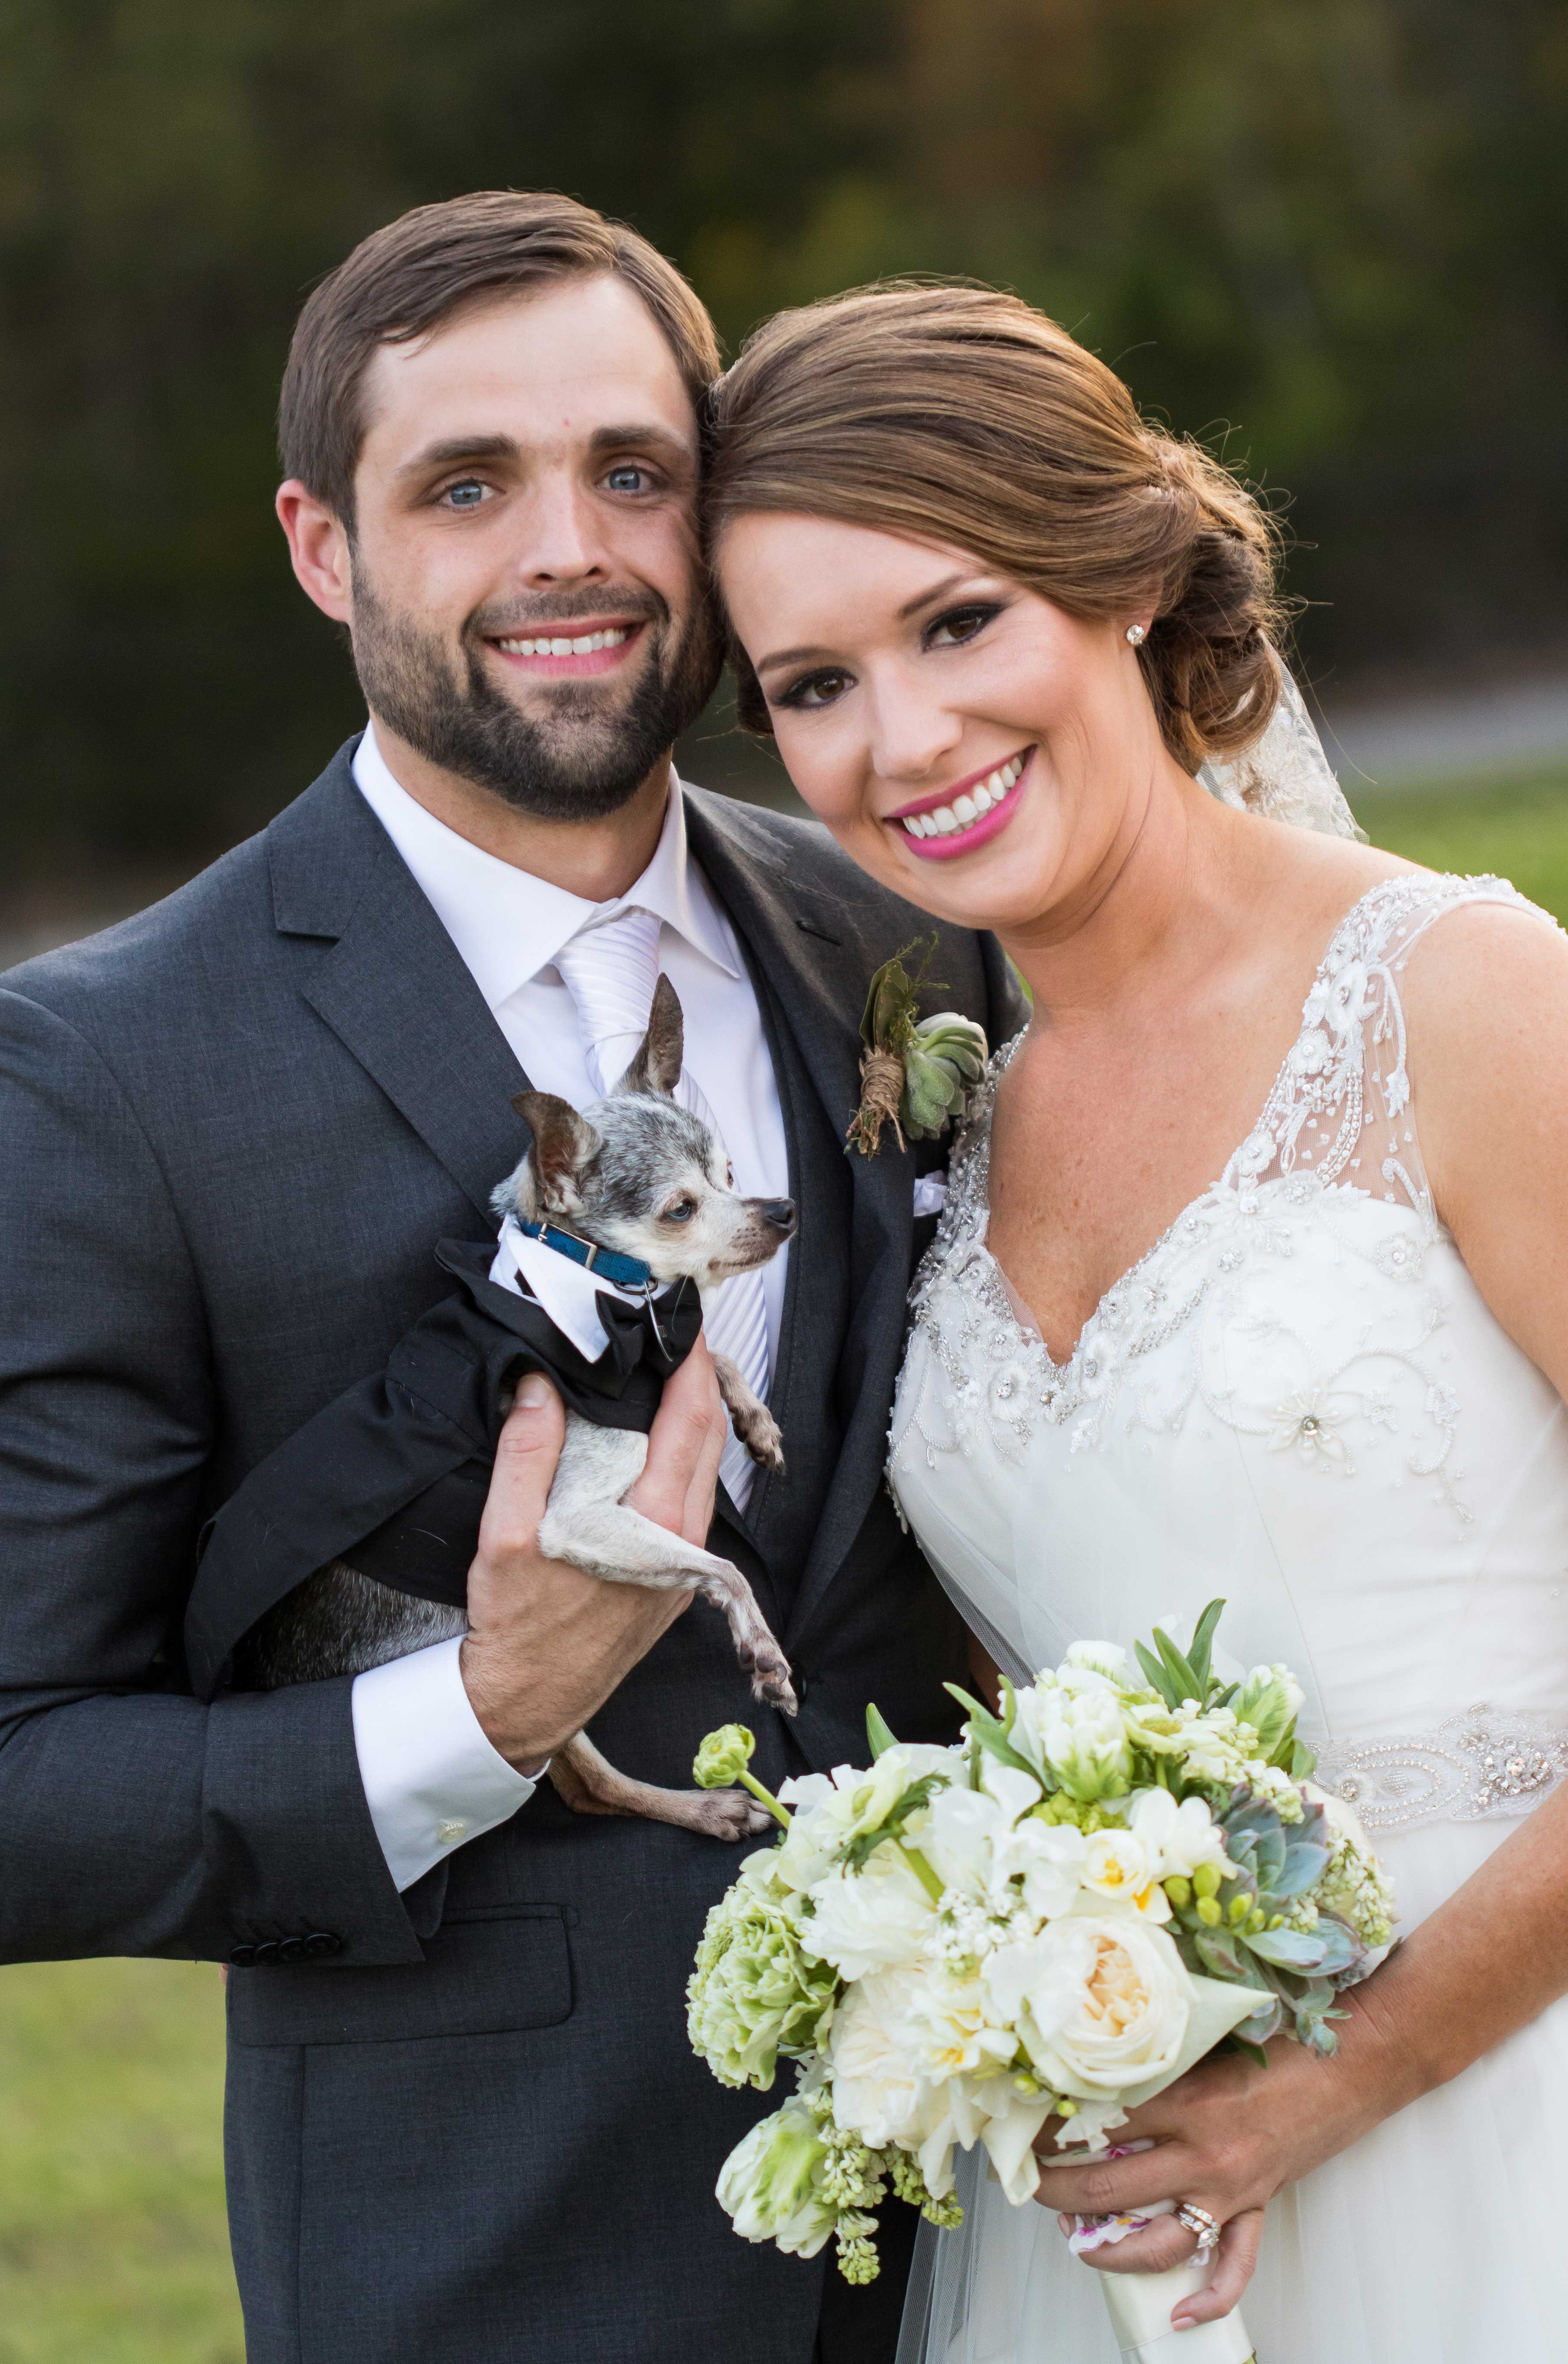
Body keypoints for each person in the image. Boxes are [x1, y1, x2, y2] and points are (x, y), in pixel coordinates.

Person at [0, 201, 1025, 2364]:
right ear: (322, 545)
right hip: (502, 2268)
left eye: (631, 473)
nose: (570, 548)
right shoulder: (109, 1072)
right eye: (467, 486)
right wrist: (469, 1721)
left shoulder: (899, 943)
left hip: (1012, 2208)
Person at [705, 280, 1568, 2364]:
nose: (902, 741)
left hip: (1515, 2119)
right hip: (1124, 2215)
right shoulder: (941, 1121)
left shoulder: (1459, 1000)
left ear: (1122, 582)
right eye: (813, 683)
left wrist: (1346, 2077)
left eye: (957, 623)